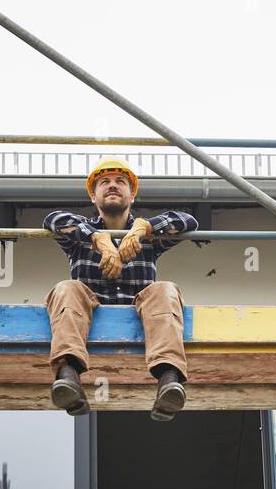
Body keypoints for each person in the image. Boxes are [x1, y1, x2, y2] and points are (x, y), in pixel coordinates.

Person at [42, 158, 198, 421]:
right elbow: (52, 219)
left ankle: (169, 381)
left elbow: (188, 221)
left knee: (165, 289)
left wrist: (143, 228)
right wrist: (97, 238)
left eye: (120, 182)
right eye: (104, 182)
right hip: (88, 313)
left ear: (132, 195)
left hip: (141, 313)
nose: (112, 186)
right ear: (93, 196)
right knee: (66, 289)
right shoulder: (79, 235)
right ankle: (68, 377)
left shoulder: (148, 237)